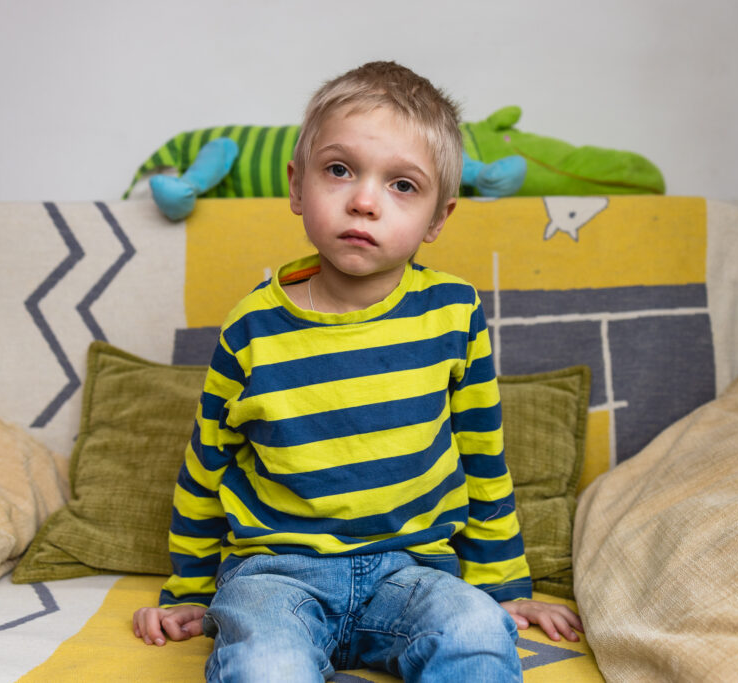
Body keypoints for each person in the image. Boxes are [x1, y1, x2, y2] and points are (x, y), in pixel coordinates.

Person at [133, 60, 583, 681]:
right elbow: (207, 462)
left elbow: (482, 456)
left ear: (439, 218)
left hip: (413, 574)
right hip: (275, 577)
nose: (365, 202)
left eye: (403, 185)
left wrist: (505, 587)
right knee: (266, 663)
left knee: (477, 629)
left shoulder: (454, 313)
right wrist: (186, 590)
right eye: (339, 170)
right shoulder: (251, 327)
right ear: (297, 186)